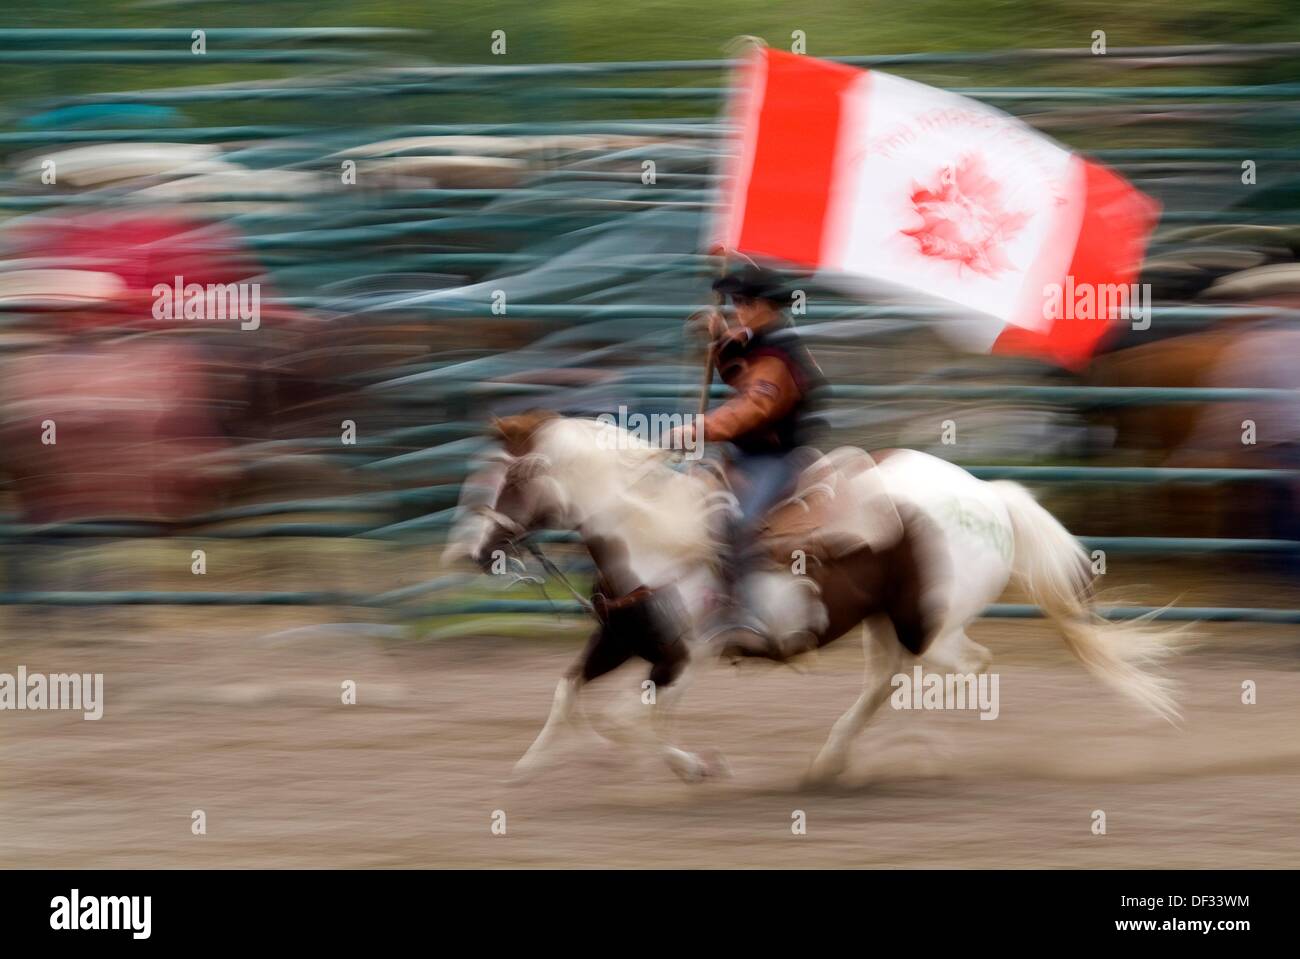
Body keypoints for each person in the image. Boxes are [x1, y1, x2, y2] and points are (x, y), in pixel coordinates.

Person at [668, 264, 825, 655]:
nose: (738, 309)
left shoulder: (779, 355)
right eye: (736, 301)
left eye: (745, 302)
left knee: (741, 521)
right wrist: (719, 336)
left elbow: (754, 406)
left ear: (766, 307)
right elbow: (738, 367)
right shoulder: (758, 342)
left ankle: (748, 615)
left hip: (775, 458)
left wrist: (699, 428)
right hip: (744, 453)